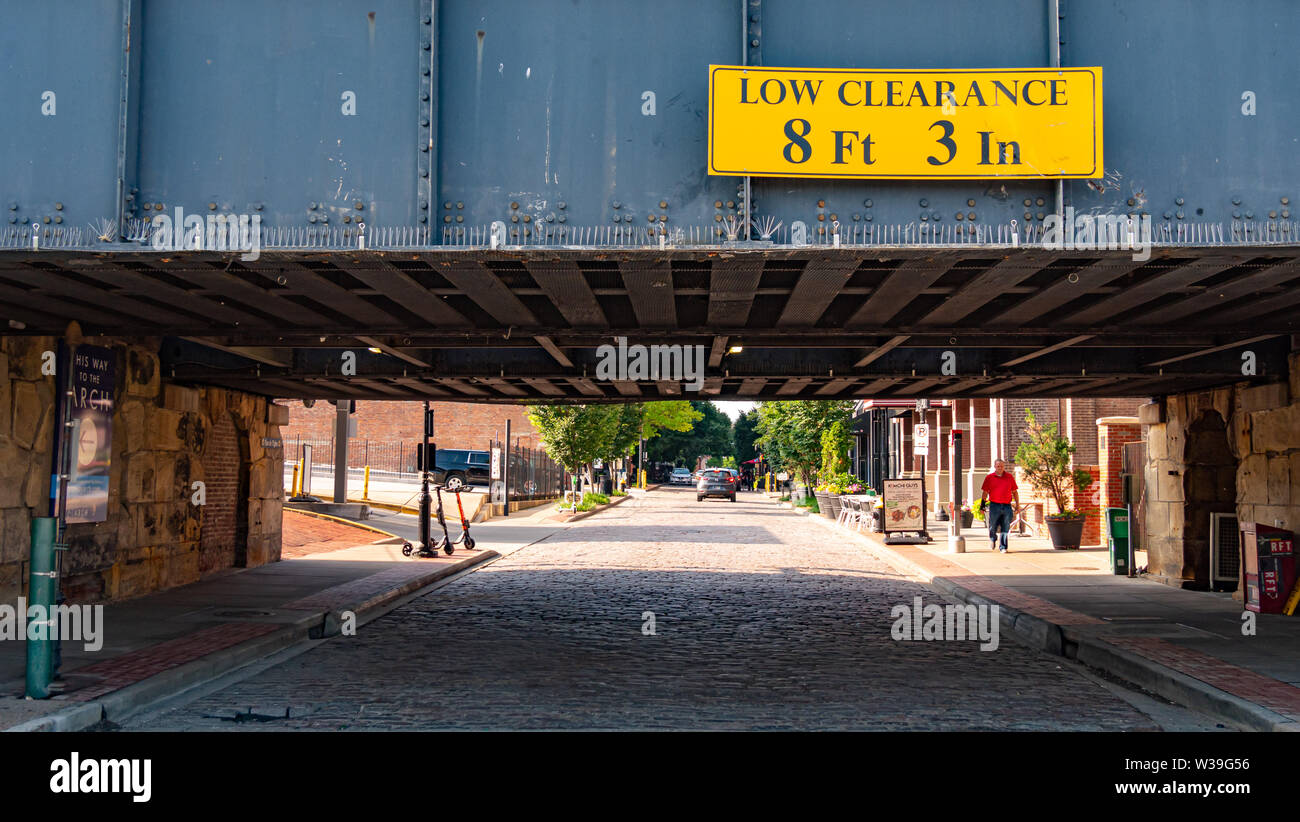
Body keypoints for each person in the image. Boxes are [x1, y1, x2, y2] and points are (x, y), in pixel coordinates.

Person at [980, 459, 1020, 553]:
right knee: (992, 525)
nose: (1000, 468)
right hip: (994, 505)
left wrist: (1017, 505)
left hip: (1007, 506)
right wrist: (982, 506)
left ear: (1004, 467)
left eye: (1002, 466)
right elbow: (985, 493)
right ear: (995, 467)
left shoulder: (1009, 477)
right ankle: (993, 539)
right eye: (998, 466)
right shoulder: (989, 478)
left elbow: (1015, 492)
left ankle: (1003, 547)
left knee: (1005, 526)